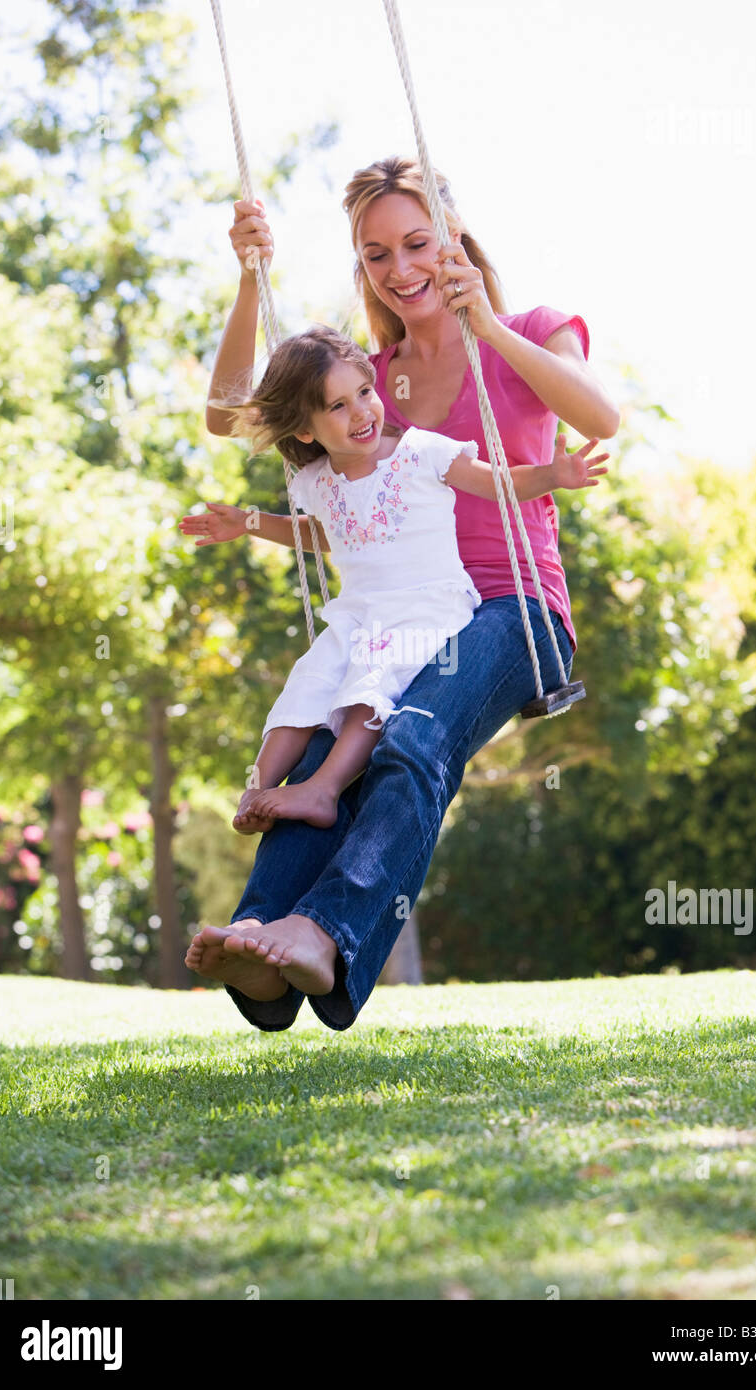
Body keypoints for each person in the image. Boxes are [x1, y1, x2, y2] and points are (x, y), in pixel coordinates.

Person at [184, 155, 620, 1029]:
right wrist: (247, 280)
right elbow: (230, 414)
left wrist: (486, 325)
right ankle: (262, 942)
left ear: (454, 241)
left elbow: (601, 416)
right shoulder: (367, 380)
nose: (401, 268)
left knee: (409, 739)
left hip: (512, 613)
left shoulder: (531, 326)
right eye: (376, 254)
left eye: (418, 243)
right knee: (317, 761)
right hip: (395, 620)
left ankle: (326, 932)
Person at [179, 326, 607, 859]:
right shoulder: (314, 479)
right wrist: (248, 522)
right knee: (306, 686)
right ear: (307, 431)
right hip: (358, 613)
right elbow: (321, 533)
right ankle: (255, 791)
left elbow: (498, 484)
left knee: (369, 689)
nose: (361, 412)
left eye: (364, 391)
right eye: (338, 406)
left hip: (428, 608)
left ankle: (322, 789)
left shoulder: (420, 452)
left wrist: (553, 474)